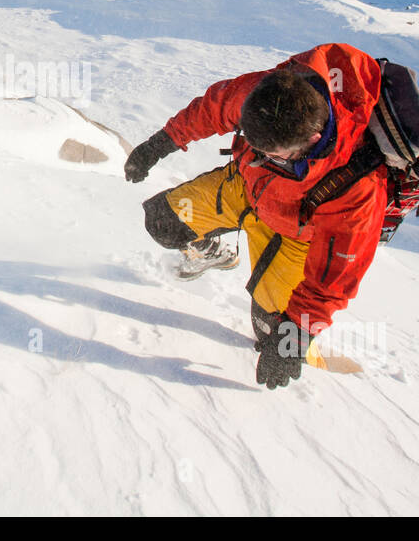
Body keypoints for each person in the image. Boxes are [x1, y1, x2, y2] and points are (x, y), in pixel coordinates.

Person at [124, 43, 388, 390]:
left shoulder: (356, 186)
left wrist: (296, 335)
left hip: (295, 238)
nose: (259, 153)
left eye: (270, 154)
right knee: (163, 221)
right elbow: (212, 108)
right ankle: (213, 254)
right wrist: (158, 146)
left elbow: (333, 277)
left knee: (271, 334)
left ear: (311, 139)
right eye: (253, 144)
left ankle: (331, 387)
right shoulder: (266, 94)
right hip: (245, 190)